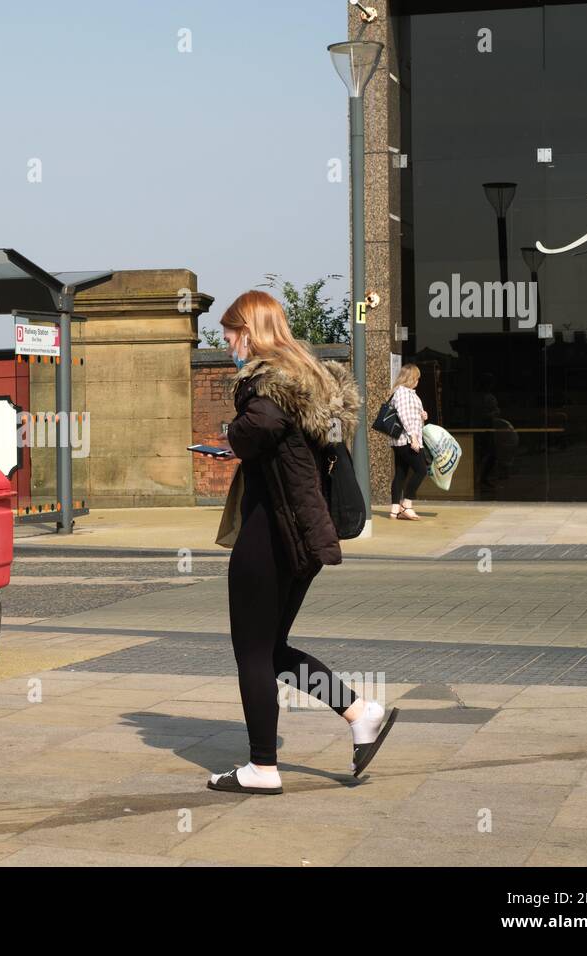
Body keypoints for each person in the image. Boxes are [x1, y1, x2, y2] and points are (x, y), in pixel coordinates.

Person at [206, 290, 398, 795]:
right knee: (271, 649)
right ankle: (360, 712)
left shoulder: (265, 383)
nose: (226, 343)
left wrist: (232, 434)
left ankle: (262, 768)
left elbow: (261, 427)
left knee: (251, 651)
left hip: (271, 533)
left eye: (230, 333)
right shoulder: (313, 382)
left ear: (249, 330)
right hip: (306, 536)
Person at [388, 363, 428, 520]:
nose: (418, 381)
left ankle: (395, 510)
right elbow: (405, 416)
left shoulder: (405, 393)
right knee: (421, 470)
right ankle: (407, 504)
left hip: (402, 440)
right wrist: (414, 438)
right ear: (411, 378)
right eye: (417, 378)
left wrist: (422, 415)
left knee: (401, 473)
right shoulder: (403, 393)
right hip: (407, 440)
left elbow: (410, 415)